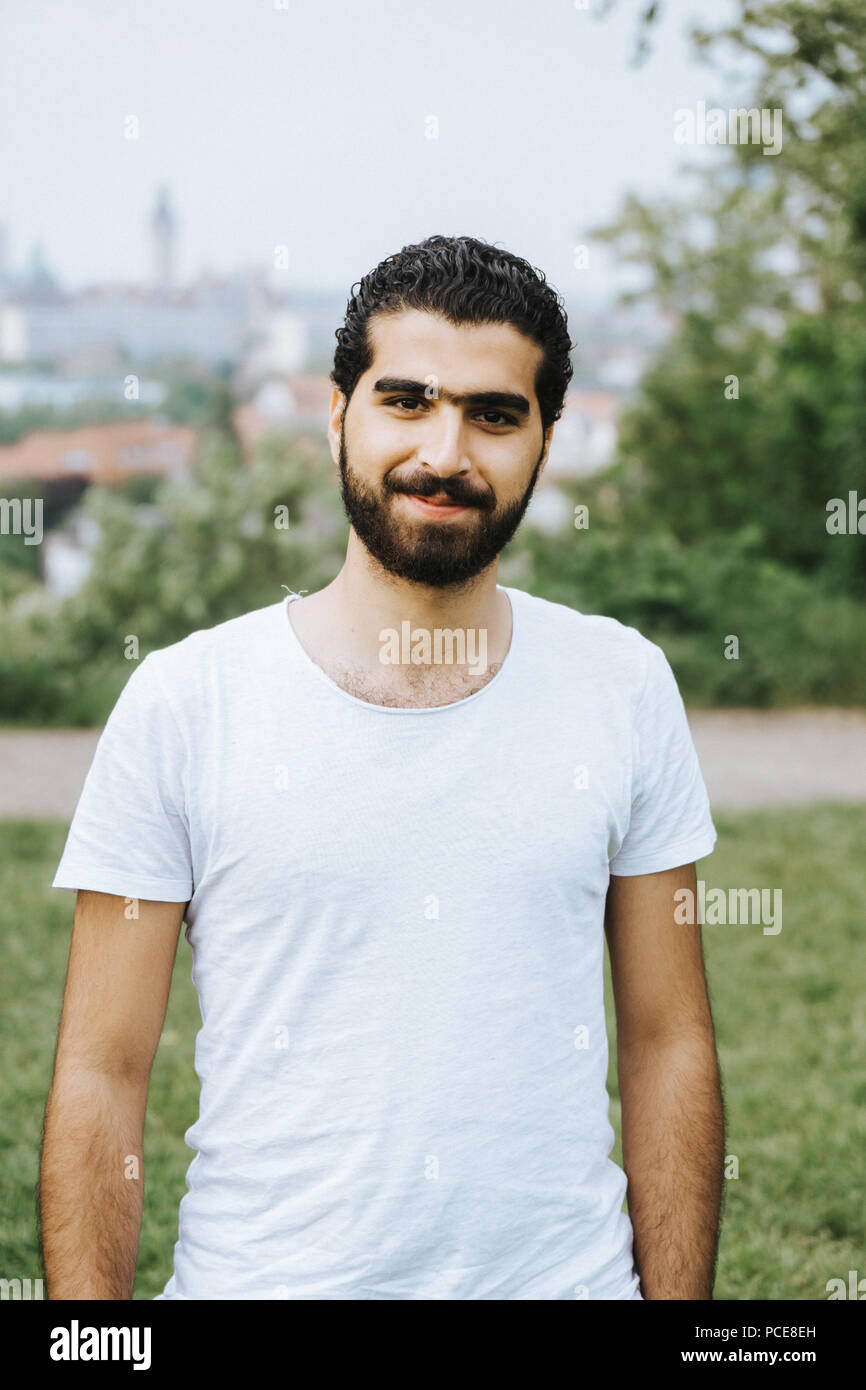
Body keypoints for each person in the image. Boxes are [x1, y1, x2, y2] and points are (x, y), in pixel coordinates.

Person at [41, 234, 723, 1301]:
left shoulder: (621, 685)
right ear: (335, 413)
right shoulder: (186, 703)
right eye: (405, 399)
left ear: (543, 439)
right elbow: (99, 1073)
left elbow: (666, 1040)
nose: (444, 451)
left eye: (494, 414)